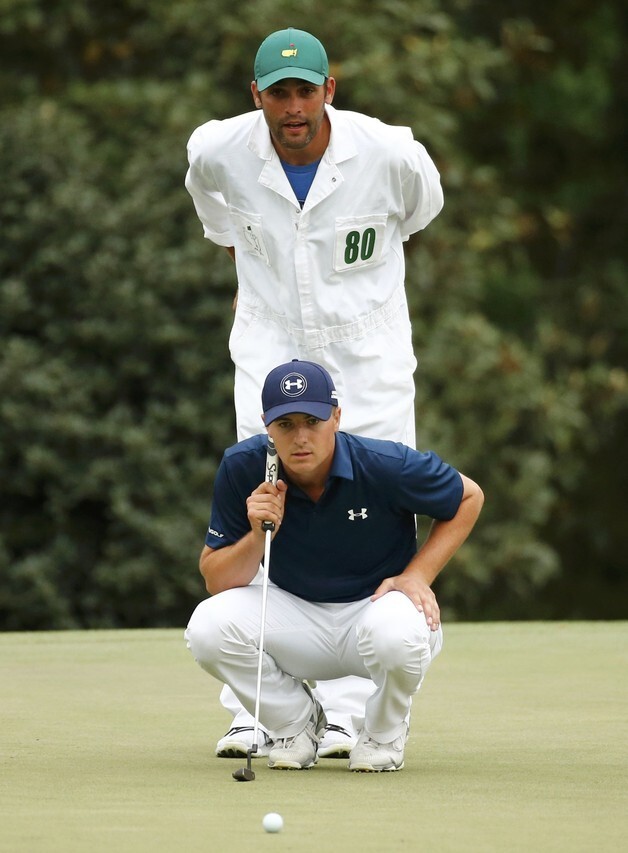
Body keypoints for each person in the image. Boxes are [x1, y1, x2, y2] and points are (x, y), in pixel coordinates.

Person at [185, 26, 446, 759]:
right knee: (264, 502)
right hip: (269, 352)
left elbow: (420, 212)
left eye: (305, 91)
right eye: (278, 93)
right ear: (257, 96)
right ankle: (254, 709)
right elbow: (218, 220)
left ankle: (350, 713)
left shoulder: (390, 154)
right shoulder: (218, 152)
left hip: (368, 356)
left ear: (329, 90)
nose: (292, 107)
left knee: (372, 514)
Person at [185, 360, 483, 772]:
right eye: (286, 424)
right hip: (295, 617)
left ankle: (383, 733)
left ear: (336, 417)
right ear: (267, 426)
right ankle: (295, 724)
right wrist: (257, 534)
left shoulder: (382, 463)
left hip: (375, 611)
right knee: (206, 627)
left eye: (313, 420)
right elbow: (218, 580)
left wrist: (418, 575)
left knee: (399, 634)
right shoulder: (242, 467)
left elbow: (469, 497)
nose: (301, 437)